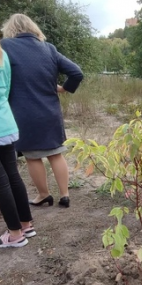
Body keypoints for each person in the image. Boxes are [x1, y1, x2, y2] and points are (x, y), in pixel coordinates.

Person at [1, 13, 84, 208]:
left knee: (33, 156)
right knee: (56, 153)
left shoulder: (5, 46)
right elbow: (76, 73)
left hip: (24, 113)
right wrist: (64, 88)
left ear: (10, 29)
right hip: (50, 112)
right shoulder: (49, 48)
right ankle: (65, 195)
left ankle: (44, 194)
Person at [0, 42, 36, 248]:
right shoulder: (2, 54)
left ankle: (15, 234)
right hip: (6, 121)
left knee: (2, 181)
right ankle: (25, 224)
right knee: (12, 175)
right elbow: (5, 92)